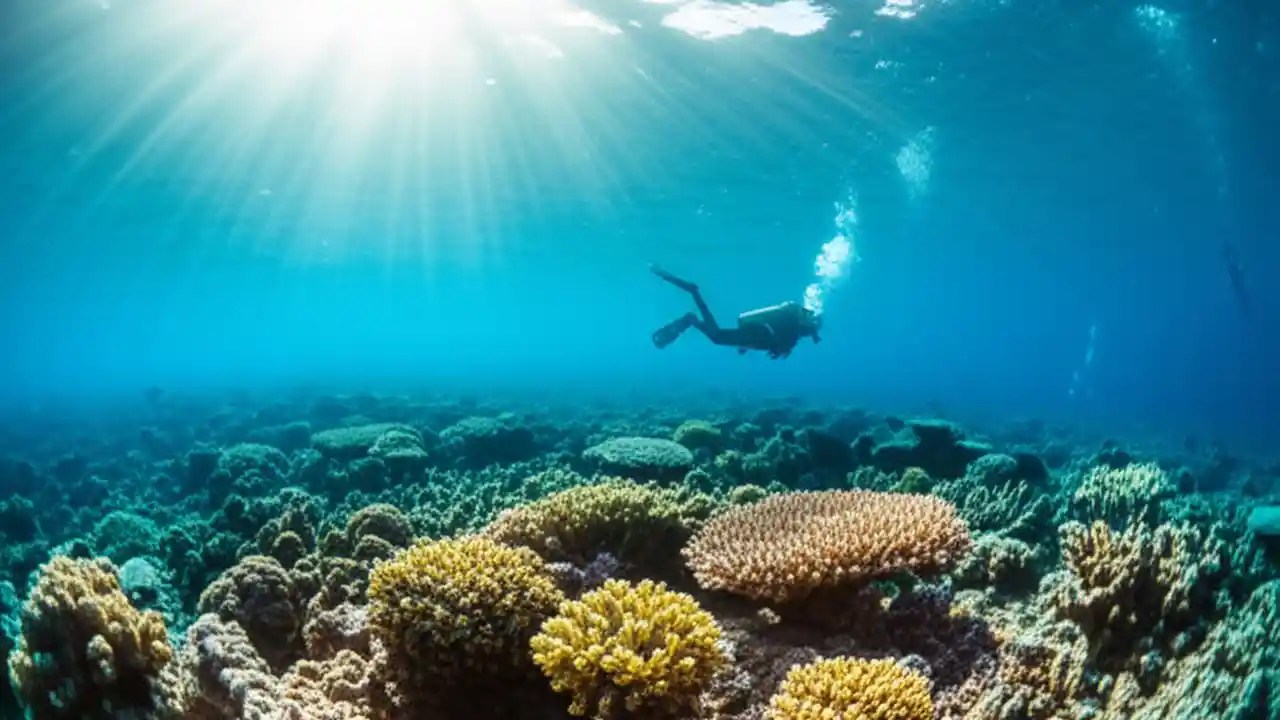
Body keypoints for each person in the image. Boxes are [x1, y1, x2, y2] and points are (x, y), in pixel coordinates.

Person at [649, 264, 821, 359]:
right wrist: (814, 334)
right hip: (758, 332)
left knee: (718, 336)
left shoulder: (794, 327)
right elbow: (779, 338)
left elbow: (773, 342)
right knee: (717, 336)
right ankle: (692, 297)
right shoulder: (796, 327)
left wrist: (746, 346)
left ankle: (690, 318)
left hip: (758, 333)